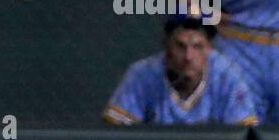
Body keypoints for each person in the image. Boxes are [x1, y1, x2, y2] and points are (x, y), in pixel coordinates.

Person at [104, 19, 258, 126]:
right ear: (166, 46)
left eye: (197, 46)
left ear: (209, 49)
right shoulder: (142, 74)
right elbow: (117, 134)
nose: (188, 57)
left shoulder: (228, 76)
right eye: (180, 46)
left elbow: (244, 137)